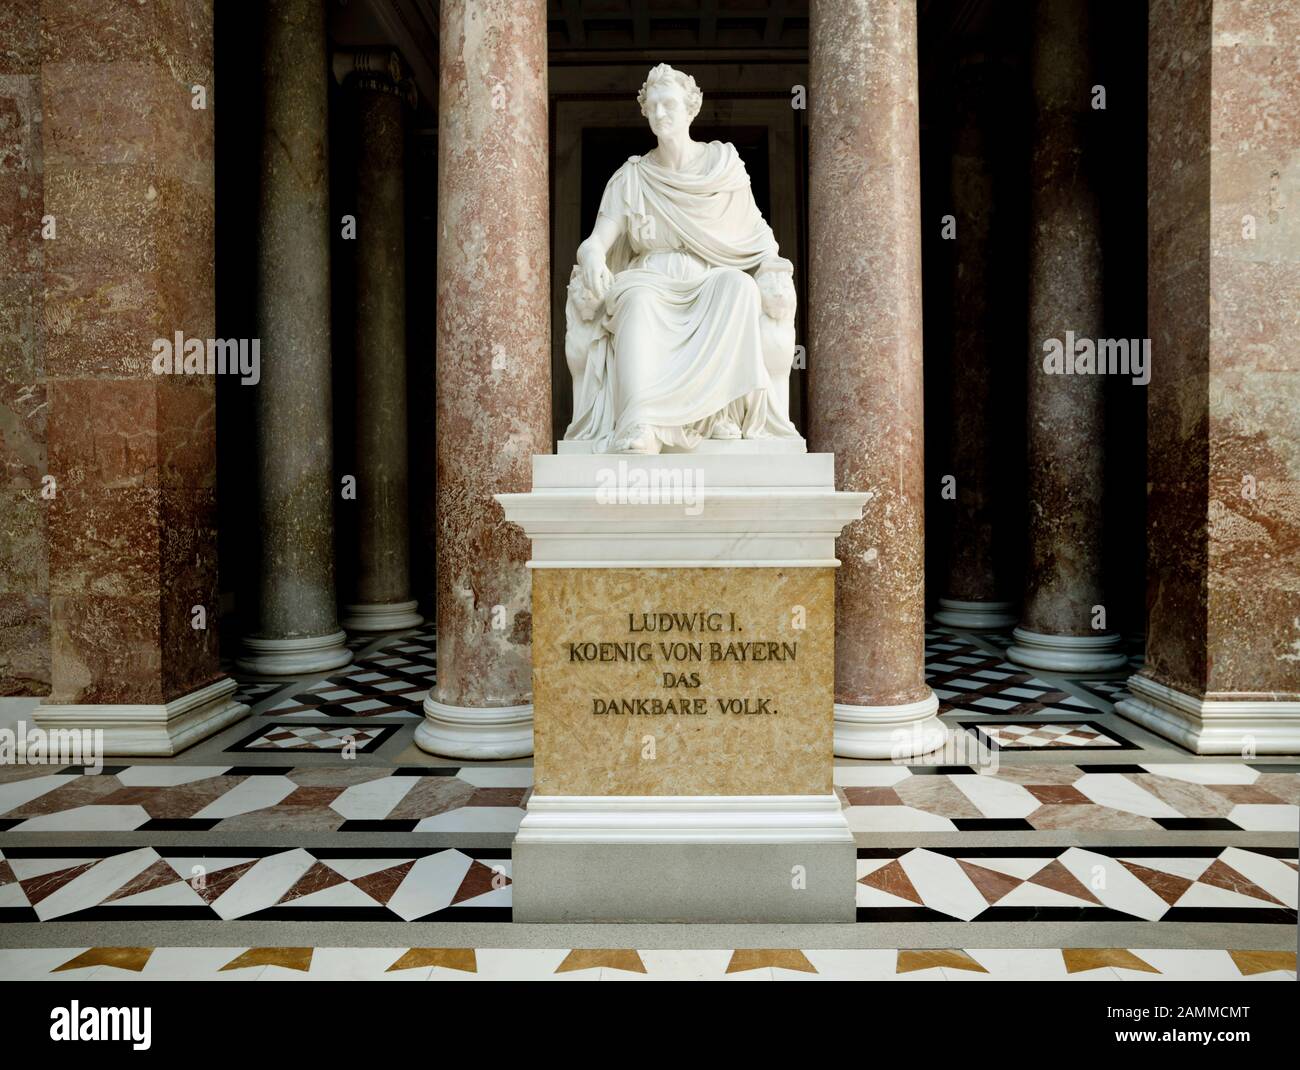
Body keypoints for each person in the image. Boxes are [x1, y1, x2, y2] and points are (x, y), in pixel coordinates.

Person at [563, 63, 802, 454]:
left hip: (708, 276)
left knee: (739, 286)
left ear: (692, 108)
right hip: (651, 278)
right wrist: (590, 255)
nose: (660, 114)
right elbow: (597, 240)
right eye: (653, 106)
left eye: (669, 104)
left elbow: (759, 237)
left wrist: (773, 270)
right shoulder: (632, 177)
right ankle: (640, 423)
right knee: (637, 301)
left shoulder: (723, 165)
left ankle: (720, 411)